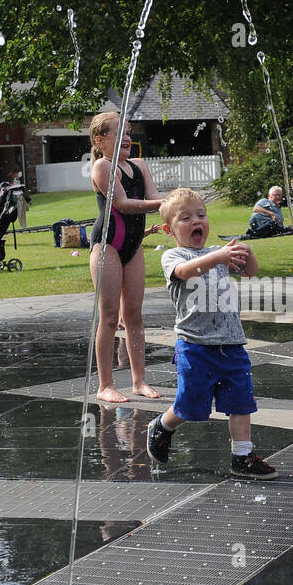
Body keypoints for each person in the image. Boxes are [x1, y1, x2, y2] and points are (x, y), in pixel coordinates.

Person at [146, 187, 275, 480]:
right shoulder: (173, 255)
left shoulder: (216, 254)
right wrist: (217, 256)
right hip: (195, 346)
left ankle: (241, 456)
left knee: (241, 401)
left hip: (232, 345)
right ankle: (162, 426)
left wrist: (246, 253)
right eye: (186, 217)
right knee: (190, 403)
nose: (196, 222)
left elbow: (251, 272)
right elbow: (186, 271)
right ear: (169, 229)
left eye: (201, 215)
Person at [88, 111, 164, 404]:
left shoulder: (140, 165)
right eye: (120, 133)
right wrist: (167, 203)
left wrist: (170, 208)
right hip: (107, 245)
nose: (128, 137)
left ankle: (139, 381)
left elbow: (153, 198)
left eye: (129, 132)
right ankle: (105, 385)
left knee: (134, 315)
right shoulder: (102, 167)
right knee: (109, 317)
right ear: (101, 140)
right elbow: (122, 203)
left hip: (133, 247)